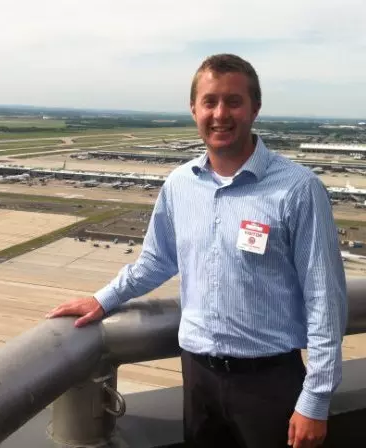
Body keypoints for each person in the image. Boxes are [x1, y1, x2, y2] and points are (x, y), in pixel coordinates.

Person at [47, 54, 347, 448]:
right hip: (198, 376)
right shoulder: (179, 185)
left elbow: (325, 297)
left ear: (255, 108)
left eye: (234, 101)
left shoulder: (298, 190)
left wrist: (316, 398)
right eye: (210, 101)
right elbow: (156, 261)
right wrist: (103, 299)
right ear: (194, 109)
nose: (220, 113)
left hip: (269, 382)